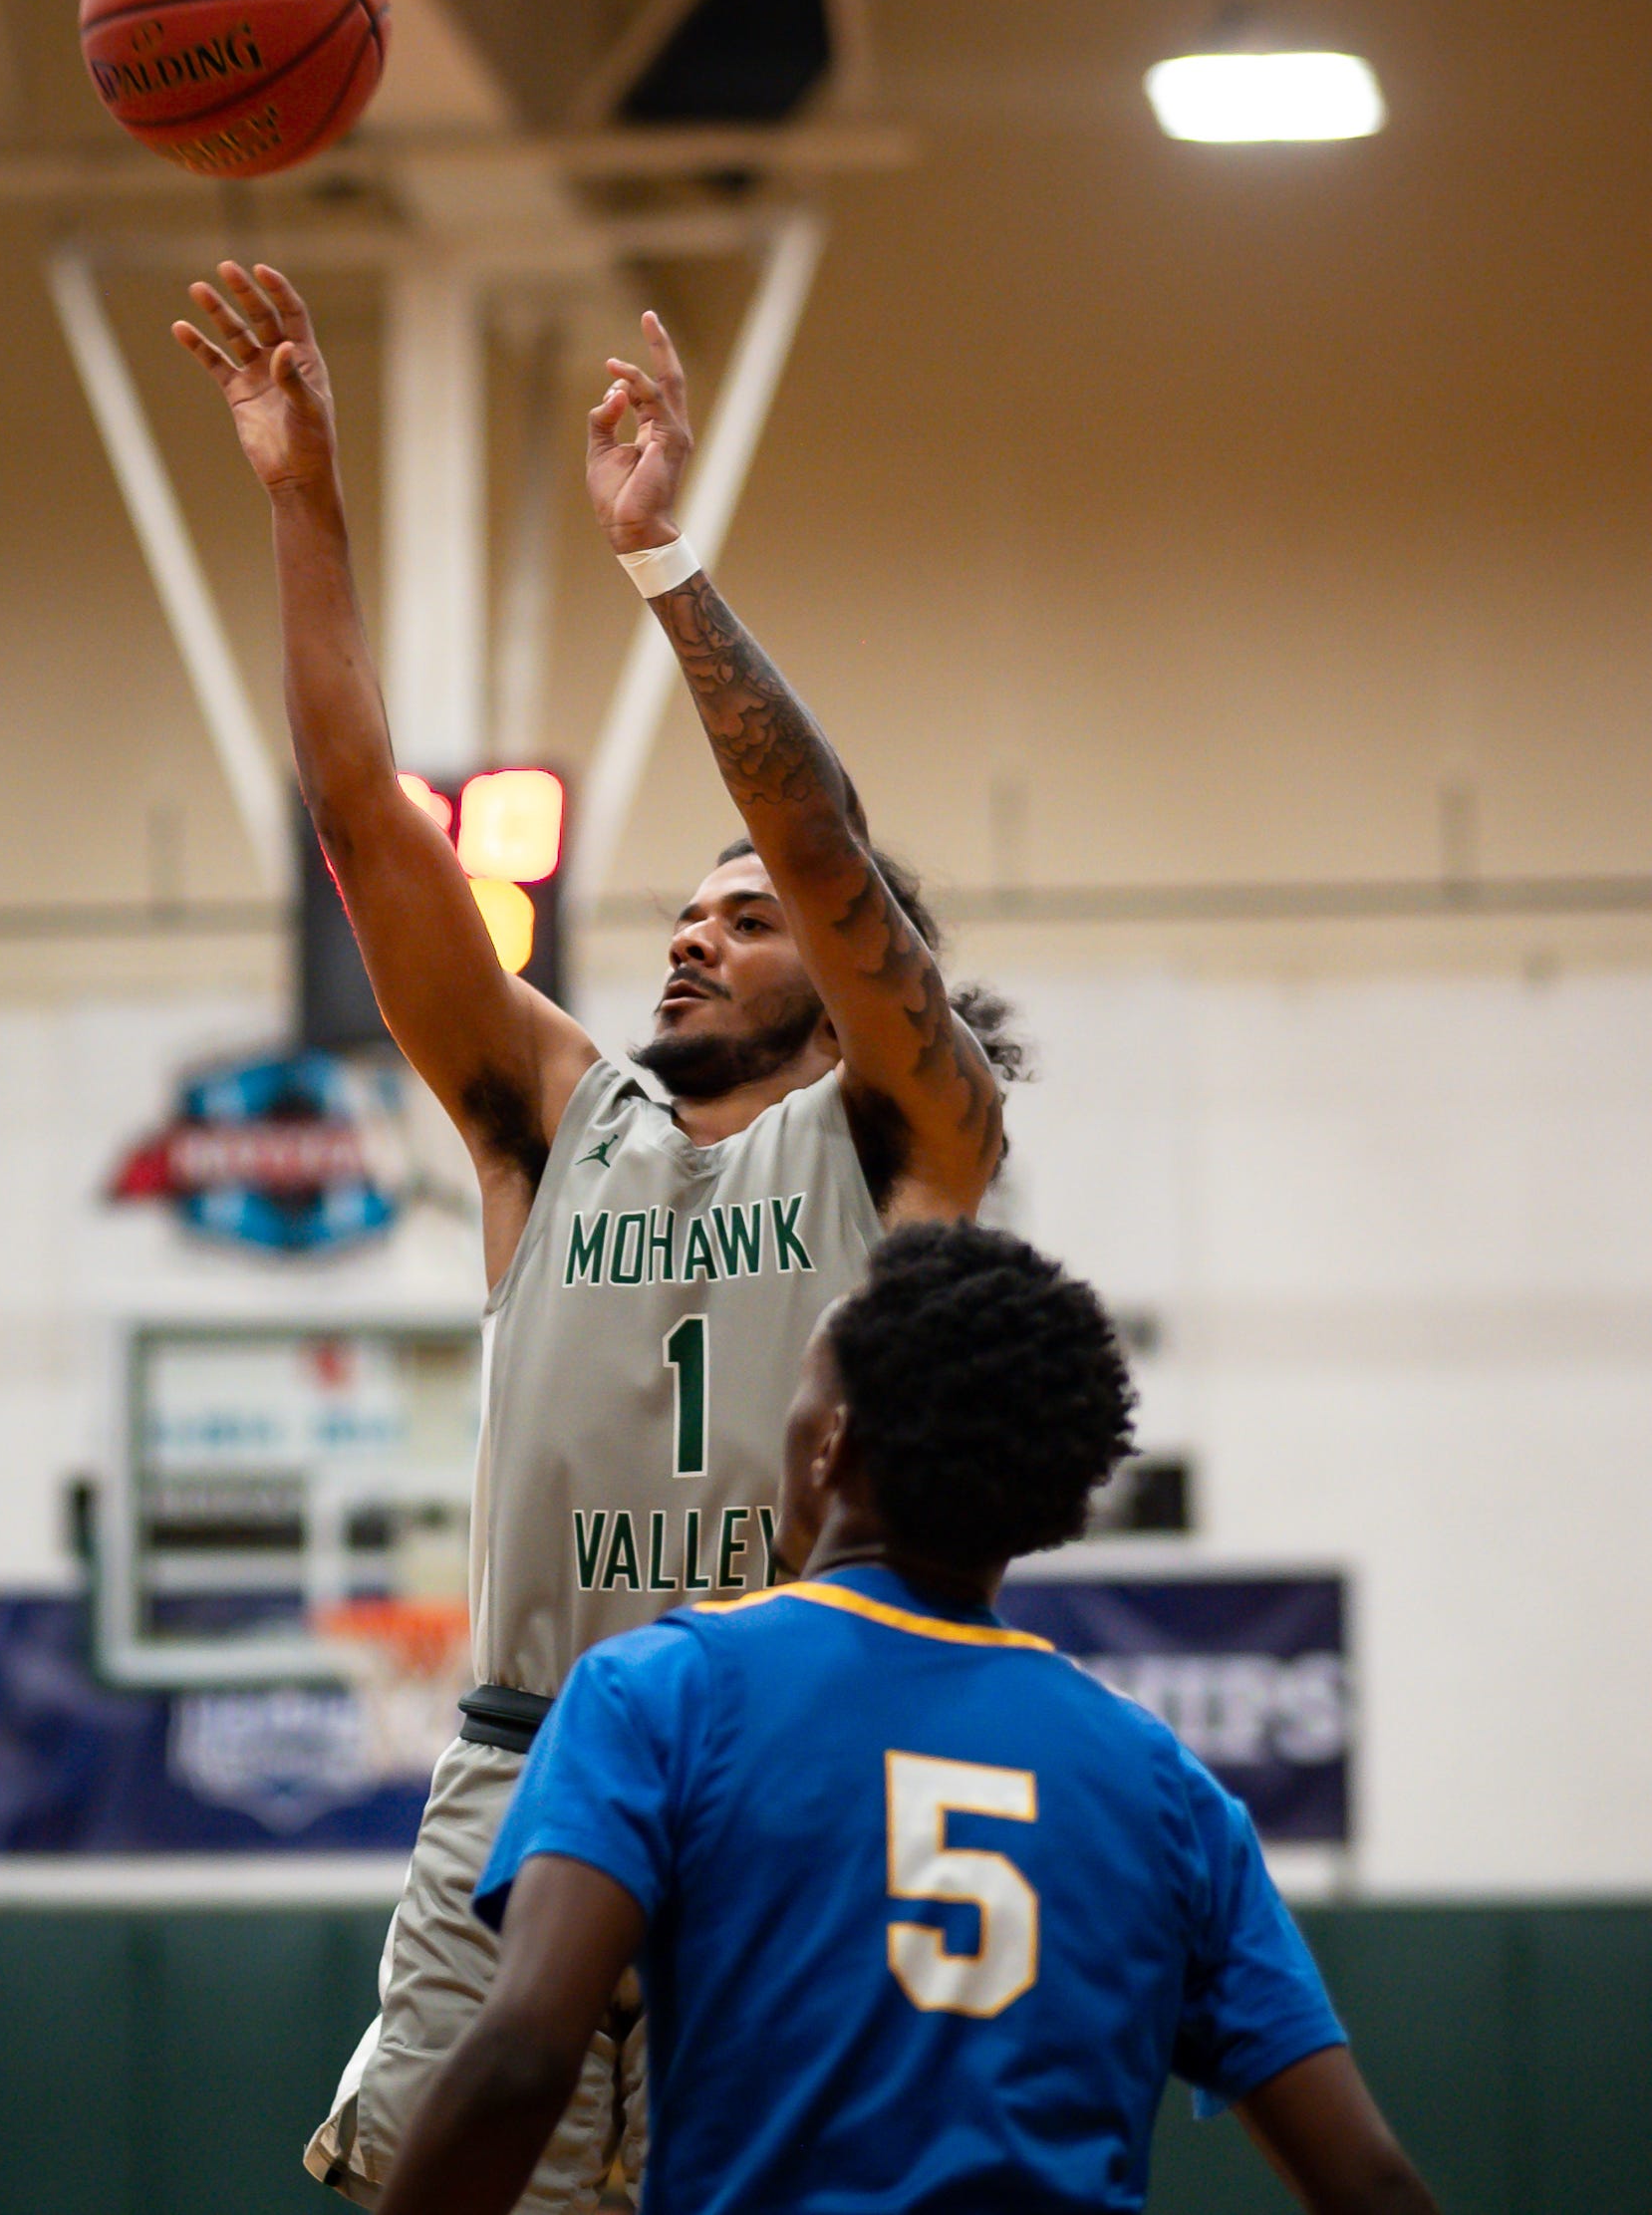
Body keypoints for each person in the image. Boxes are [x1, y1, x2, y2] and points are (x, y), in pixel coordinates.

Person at [171, 265, 1019, 2210]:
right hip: (526, 1769)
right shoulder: (552, 1118)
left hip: (789, 1777)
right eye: (689, 908)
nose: (692, 928)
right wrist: (306, 505)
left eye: (748, 913)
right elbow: (365, 827)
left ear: (859, 957)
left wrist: (660, 565)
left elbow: (818, 837)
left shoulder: (909, 1132)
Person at [372, 1222, 1442, 2215]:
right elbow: (1374, 2187)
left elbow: (519, 2060)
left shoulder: (661, 1691)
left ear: (832, 1441)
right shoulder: (1170, 1794)